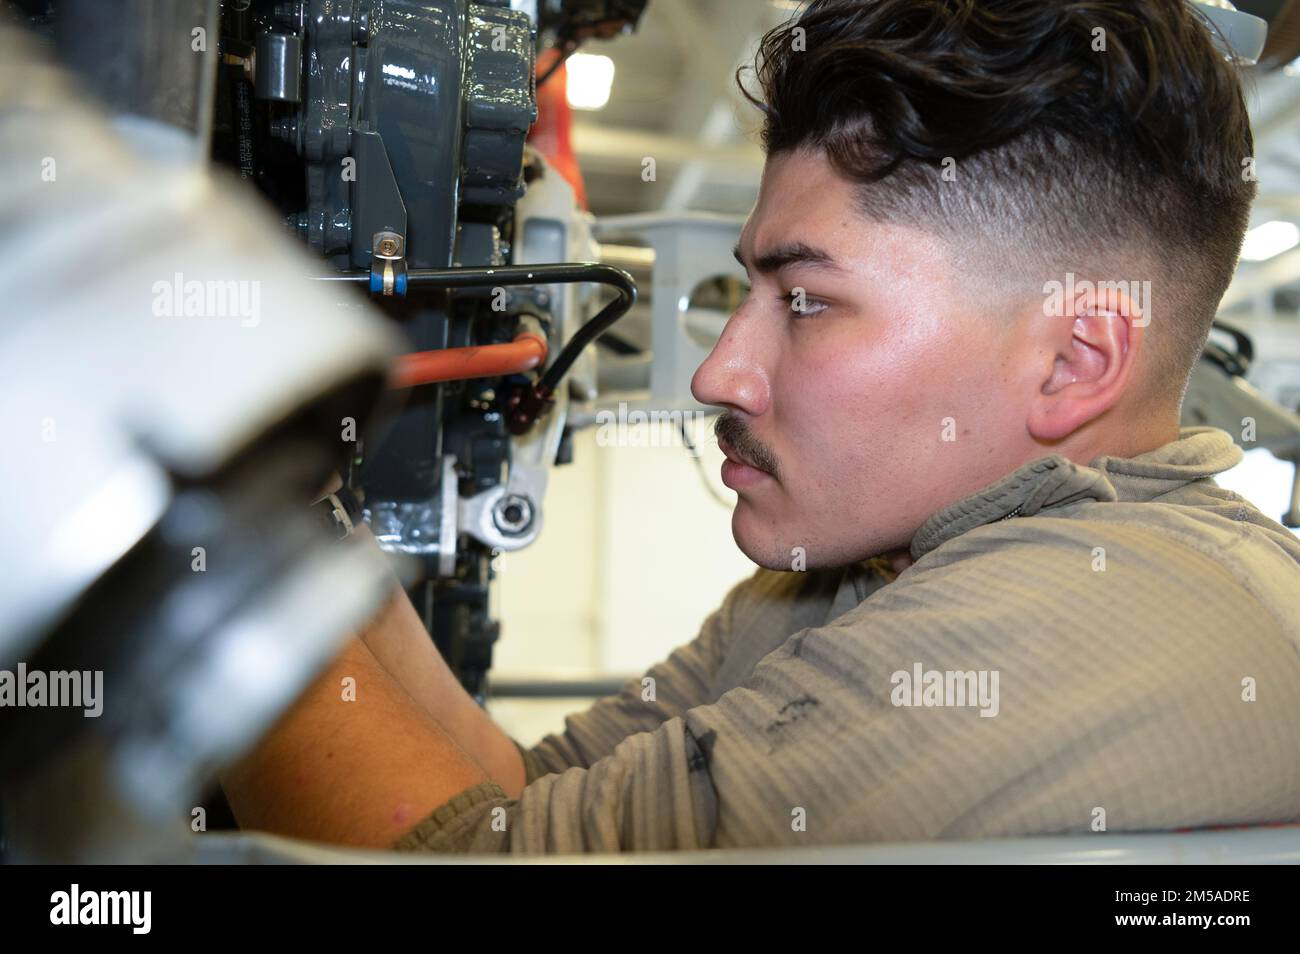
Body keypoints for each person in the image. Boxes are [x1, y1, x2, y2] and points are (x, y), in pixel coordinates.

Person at [221, 0, 1300, 853]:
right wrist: (300, 511)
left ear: (1073, 363)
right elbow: (522, 801)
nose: (718, 374)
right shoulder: (844, 574)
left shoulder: (1087, 610)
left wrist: (193, 534)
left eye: (806, 301)